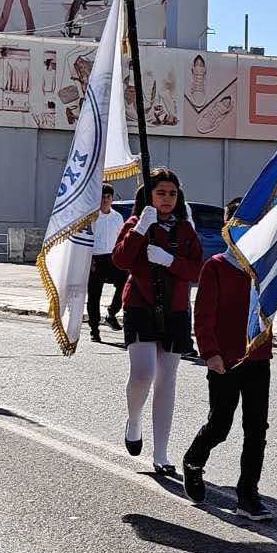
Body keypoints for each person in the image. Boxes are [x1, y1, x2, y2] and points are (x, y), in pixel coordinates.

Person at [181, 200, 274, 520]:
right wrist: (210, 353)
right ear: (228, 227)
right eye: (238, 223)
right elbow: (203, 315)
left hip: (258, 356)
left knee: (256, 429)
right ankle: (194, 461)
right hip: (224, 359)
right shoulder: (217, 267)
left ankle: (248, 493)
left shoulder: (265, 268)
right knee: (220, 425)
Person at [112, 169, 203, 476]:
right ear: (148, 196)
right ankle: (133, 420)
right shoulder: (136, 223)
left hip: (175, 310)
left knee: (167, 380)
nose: (166, 199)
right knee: (143, 373)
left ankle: (161, 453)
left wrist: (169, 261)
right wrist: (141, 228)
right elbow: (121, 260)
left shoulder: (185, 230)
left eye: (172, 194)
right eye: (160, 193)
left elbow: (196, 269)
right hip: (141, 305)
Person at [84, 183, 127, 341]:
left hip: (112, 257)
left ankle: (112, 312)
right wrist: (88, 259)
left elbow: (121, 238)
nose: (105, 200)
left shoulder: (117, 217)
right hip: (96, 258)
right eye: (102, 197)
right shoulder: (92, 217)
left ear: (112, 198)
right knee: (94, 295)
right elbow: (86, 239)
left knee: (124, 281)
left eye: (108, 197)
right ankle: (94, 329)